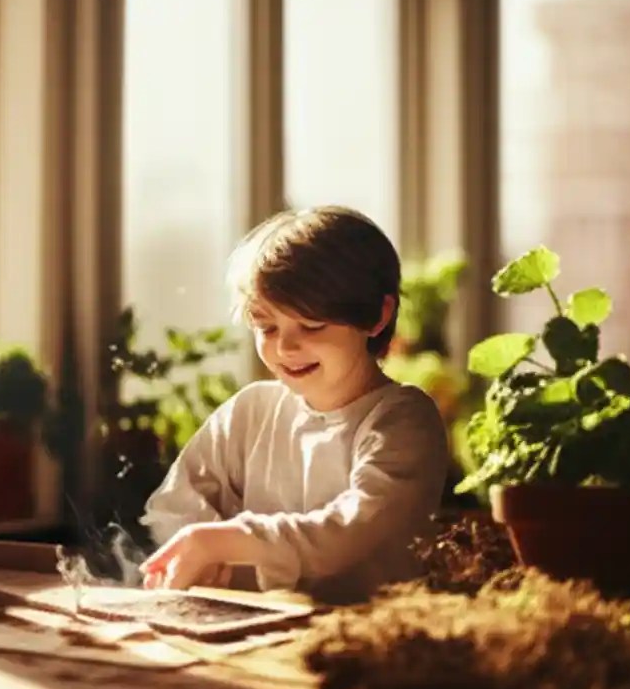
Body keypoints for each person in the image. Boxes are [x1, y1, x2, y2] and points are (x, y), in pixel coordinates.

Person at [138, 206, 450, 604]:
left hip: (362, 640)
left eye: (312, 325)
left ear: (377, 315)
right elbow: (172, 505)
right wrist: (207, 556)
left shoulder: (404, 421)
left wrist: (226, 543)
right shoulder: (251, 410)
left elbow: (347, 531)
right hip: (249, 630)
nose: (285, 346)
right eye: (266, 326)